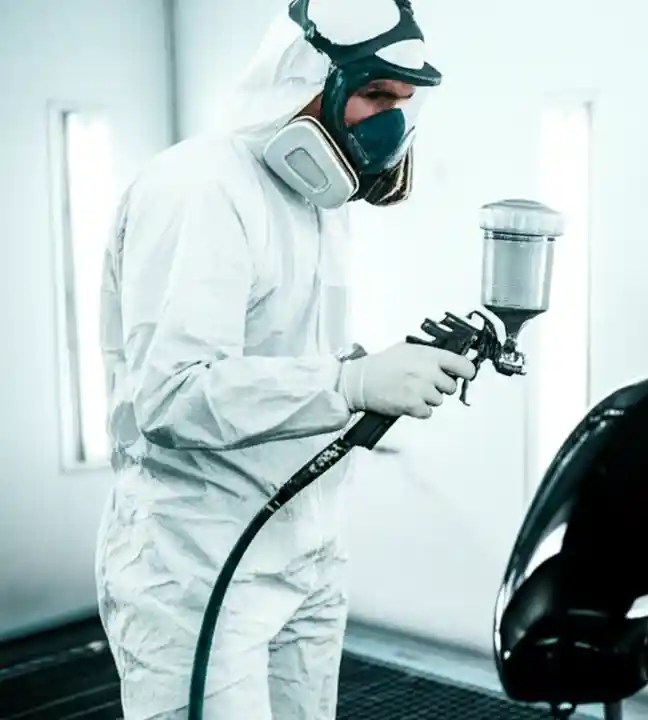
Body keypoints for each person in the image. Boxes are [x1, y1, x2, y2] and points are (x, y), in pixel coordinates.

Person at [94, 1, 474, 717]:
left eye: (405, 102)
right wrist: (349, 382)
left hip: (307, 551)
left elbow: (278, 360)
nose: (395, 122)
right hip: (201, 565)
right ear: (307, 79)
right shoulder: (201, 188)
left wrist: (368, 370)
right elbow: (171, 396)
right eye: (377, 95)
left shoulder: (317, 201)